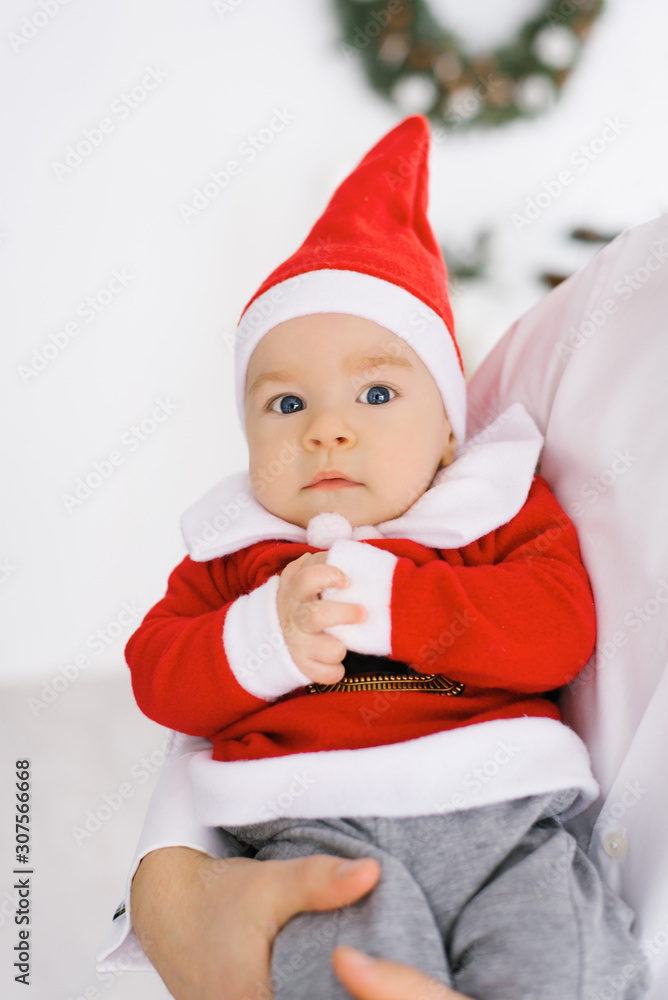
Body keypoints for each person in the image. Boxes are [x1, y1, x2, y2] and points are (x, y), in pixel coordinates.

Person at [103, 116, 650, 999]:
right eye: (285, 404)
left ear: (447, 434)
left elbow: (557, 631)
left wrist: (410, 606)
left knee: (565, 963)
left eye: (378, 391)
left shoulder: (490, 511)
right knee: (350, 972)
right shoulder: (243, 553)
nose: (328, 427)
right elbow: (159, 675)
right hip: (314, 833)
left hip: (504, 820)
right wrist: (258, 640)